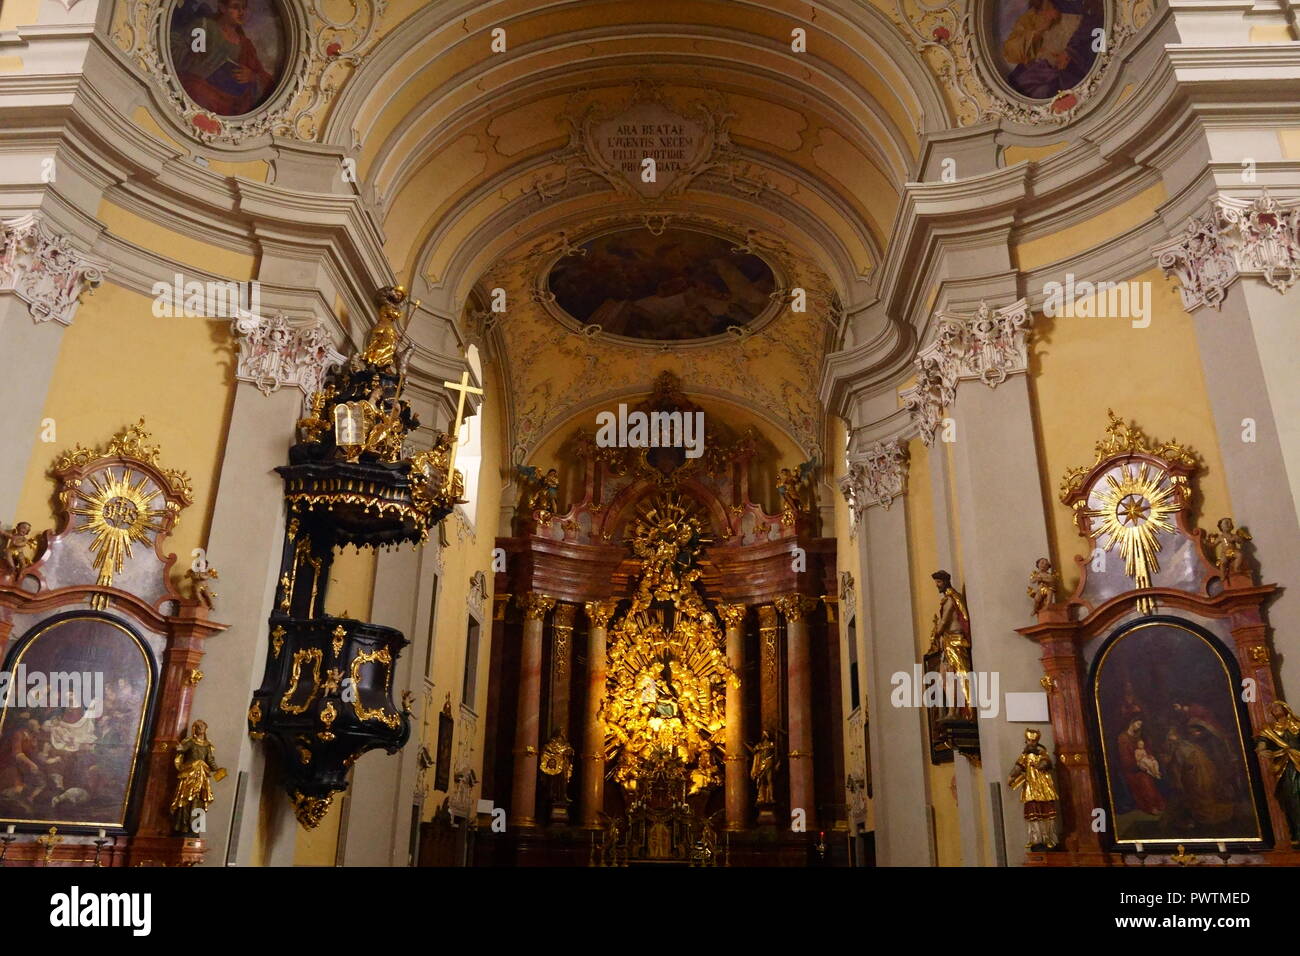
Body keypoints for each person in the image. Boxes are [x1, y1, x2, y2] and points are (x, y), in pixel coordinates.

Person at [175, 0, 275, 116]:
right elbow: (179, 55)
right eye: (236, 7)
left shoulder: (245, 44)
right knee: (196, 89)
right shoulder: (205, 27)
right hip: (199, 88)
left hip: (231, 101)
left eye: (244, 8)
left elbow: (263, 77)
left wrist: (252, 77)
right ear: (222, 8)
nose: (241, 12)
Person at [1257, 700, 1300, 848]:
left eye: (1277, 706)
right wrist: (1263, 751)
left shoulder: (1297, 724)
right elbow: (1261, 746)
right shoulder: (1269, 729)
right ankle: (1297, 833)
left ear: (1285, 707)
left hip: (1298, 760)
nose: (1275, 709)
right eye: (1272, 708)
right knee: (1292, 798)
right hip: (1284, 767)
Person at [1008, 728, 1059, 849]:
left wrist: (1041, 764)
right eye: (1029, 741)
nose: (1031, 743)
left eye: (1033, 741)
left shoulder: (1042, 753)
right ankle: (1036, 838)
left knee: (1047, 814)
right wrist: (1011, 776)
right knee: (1033, 813)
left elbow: (1047, 763)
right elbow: (1018, 768)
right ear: (1026, 741)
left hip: (1043, 787)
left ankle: (1049, 838)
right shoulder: (1024, 756)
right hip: (1031, 787)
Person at [171, 720, 223, 834]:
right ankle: (182, 827)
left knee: (199, 800)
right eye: (198, 727)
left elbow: (210, 760)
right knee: (186, 799)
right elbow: (182, 749)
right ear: (194, 729)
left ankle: (195, 828)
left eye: (202, 727)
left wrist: (217, 769)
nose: (200, 729)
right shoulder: (190, 742)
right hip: (189, 775)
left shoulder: (207, 745)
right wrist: (178, 747)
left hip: (201, 777)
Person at [1116, 717, 1165, 815]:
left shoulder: (1138, 736)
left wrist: (1150, 756)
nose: (1139, 727)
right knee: (1144, 780)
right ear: (1132, 722)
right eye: (1138, 724)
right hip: (1131, 769)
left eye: (1140, 725)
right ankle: (1150, 806)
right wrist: (1137, 765)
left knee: (1149, 776)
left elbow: (1146, 750)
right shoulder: (1123, 738)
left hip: (1142, 766)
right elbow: (1125, 759)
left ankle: (1157, 803)